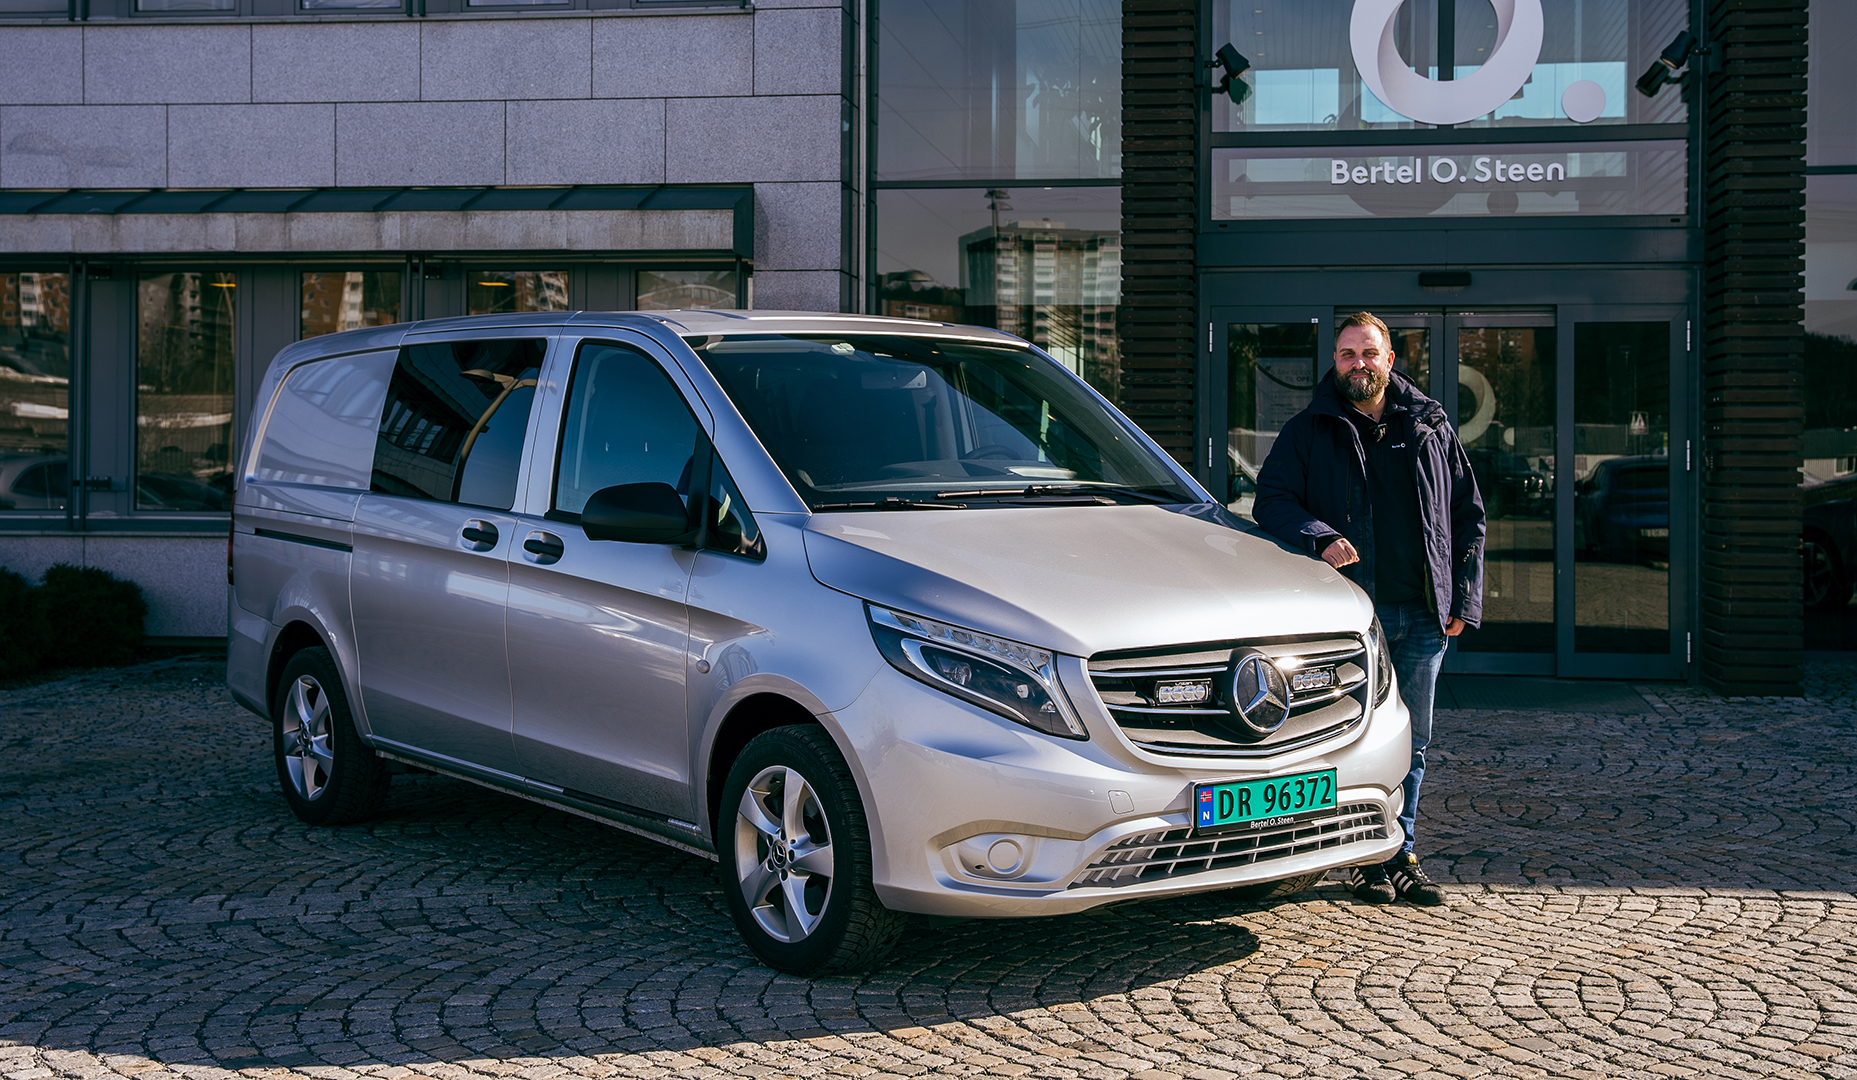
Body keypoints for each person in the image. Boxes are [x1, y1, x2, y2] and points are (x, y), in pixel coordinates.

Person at [1252, 311, 1484, 906]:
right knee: (1344, 741)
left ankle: (1398, 852)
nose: (1359, 364)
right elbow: (1271, 501)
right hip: (1354, 621)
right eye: (1348, 354)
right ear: (1336, 361)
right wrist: (1319, 534)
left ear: (1390, 358)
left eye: (1369, 353)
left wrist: (1463, 596)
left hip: (1424, 614)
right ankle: (1360, 857)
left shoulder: (1430, 424)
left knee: (1416, 741)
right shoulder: (1310, 430)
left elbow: (1468, 516)